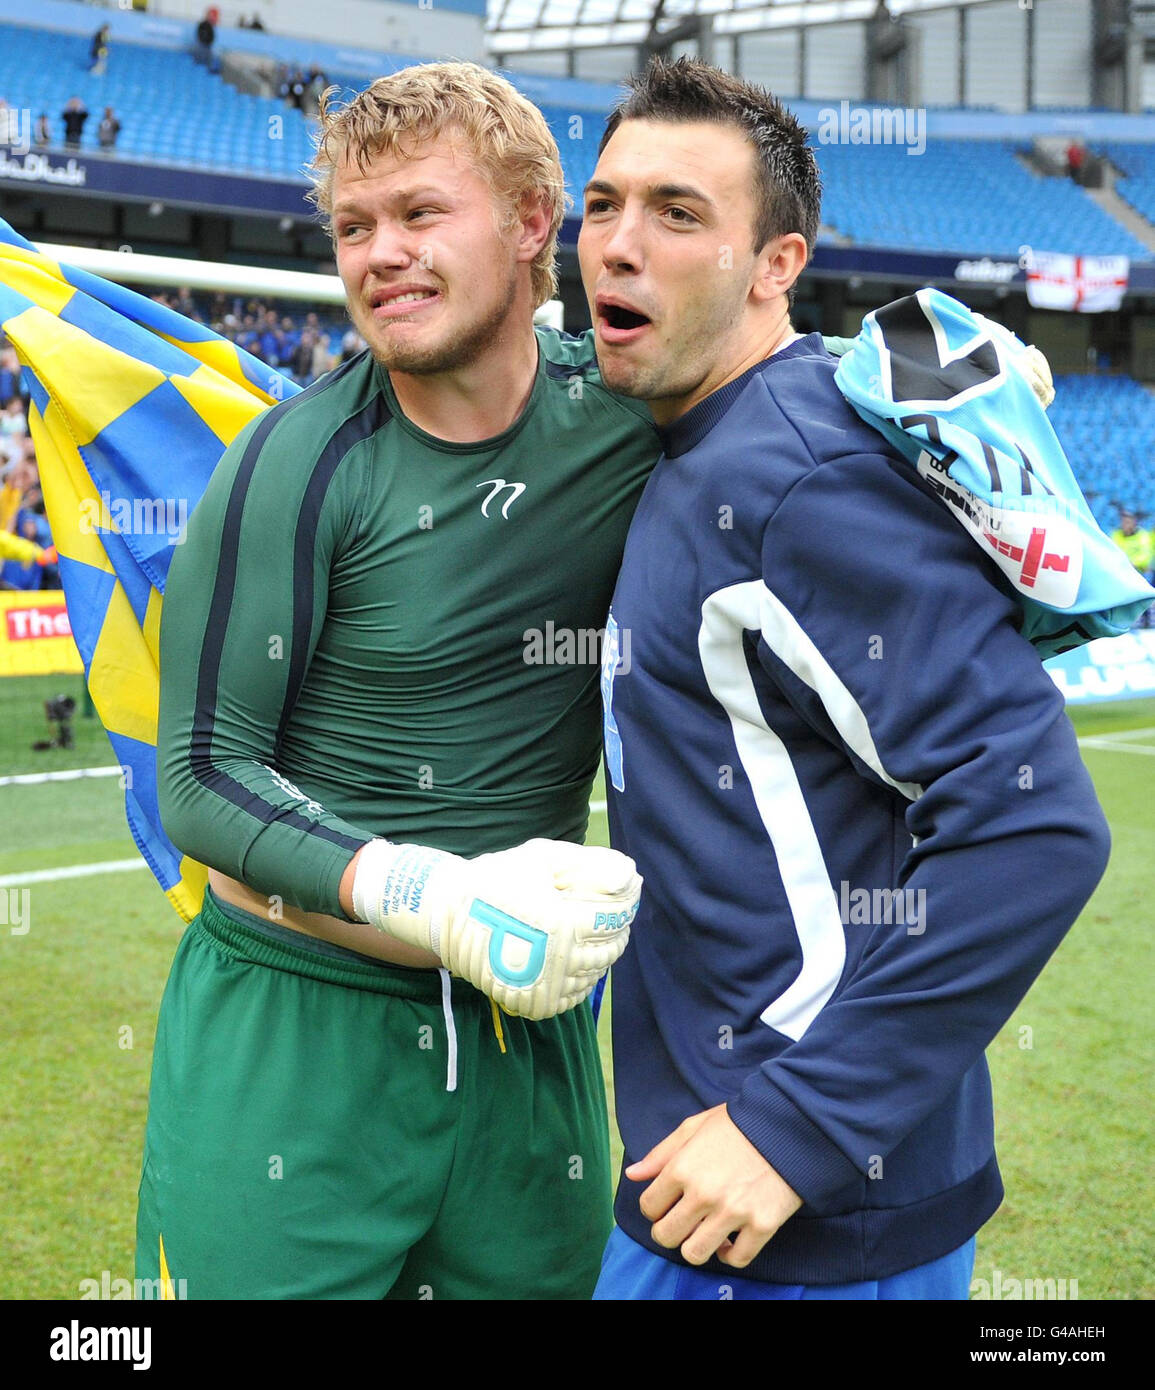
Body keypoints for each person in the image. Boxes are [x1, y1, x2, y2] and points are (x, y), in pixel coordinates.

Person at [578, 57, 1111, 1300]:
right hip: (716, 1177)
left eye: (677, 211)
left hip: (800, 1206)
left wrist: (793, 1126)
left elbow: (1033, 822)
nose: (615, 244)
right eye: (603, 204)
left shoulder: (799, 475)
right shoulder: (711, 429)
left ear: (777, 265)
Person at [136, 60, 652, 1301]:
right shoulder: (294, 463)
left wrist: (914, 372)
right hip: (293, 1033)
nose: (380, 255)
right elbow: (200, 778)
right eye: (354, 227)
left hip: (524, 1047)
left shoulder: (629, 418)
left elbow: (786, 381)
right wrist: (435, 895)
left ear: (533, 223)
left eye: (421, 213)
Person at [1111, 508, 1153, 626]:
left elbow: (1145, 555)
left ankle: (1146, 620)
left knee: (1145, 585)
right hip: (1122, 570)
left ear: (1134, 522)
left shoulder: (1142, 535)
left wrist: (1133, 563)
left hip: (1138, 570)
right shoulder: (1116, 535)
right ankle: (1119, 620)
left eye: (1128, 522)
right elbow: (1113, 552)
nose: (1125, 525)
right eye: (1123, 522)